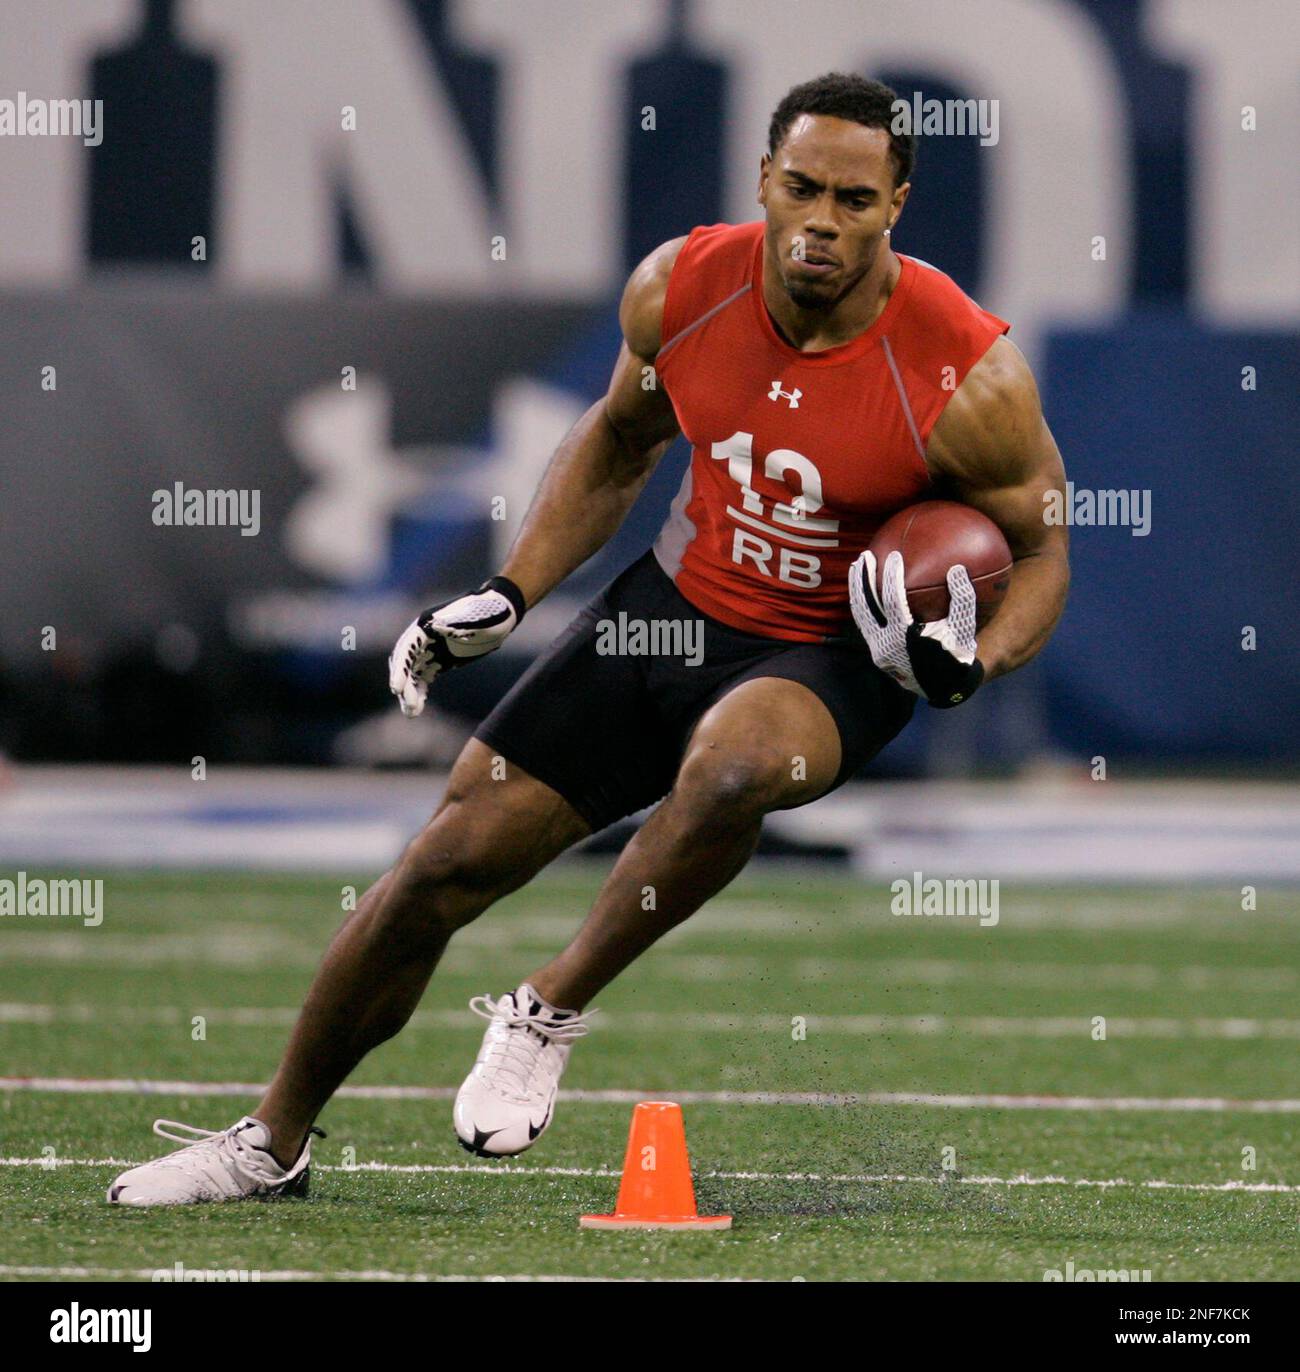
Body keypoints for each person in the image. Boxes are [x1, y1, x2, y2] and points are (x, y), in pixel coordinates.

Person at [108, 71, 1068, 1205]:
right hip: (674, 605)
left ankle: (547, 1007)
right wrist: (511, 593)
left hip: (834, 651)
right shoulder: (684, 285)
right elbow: (618, 440)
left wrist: (975, 658)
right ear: (763, 178)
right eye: (801, 187)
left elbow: (1044, 546)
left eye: (853, 200)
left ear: (896, 204)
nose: (820, 219)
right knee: (439, 865)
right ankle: (269, 1144)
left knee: (733, 766)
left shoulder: (964, 369)